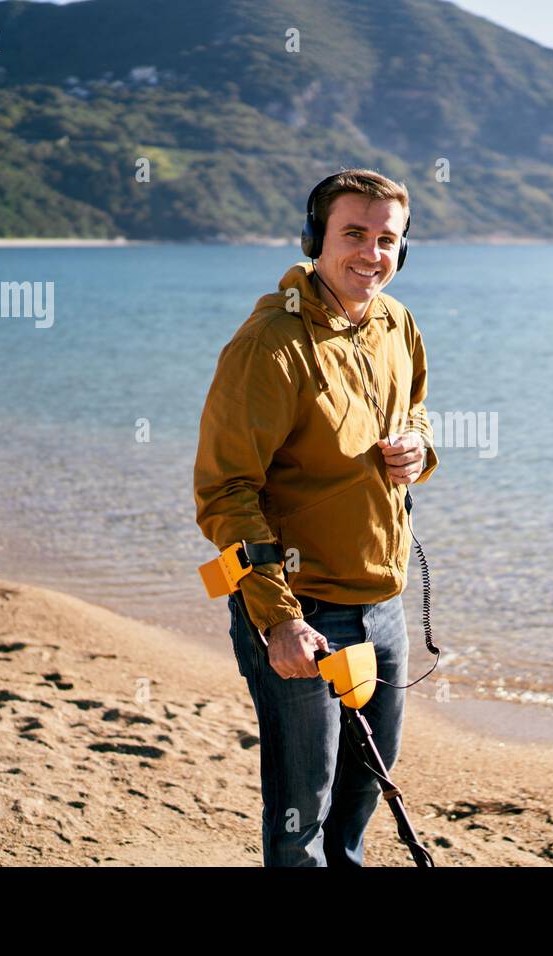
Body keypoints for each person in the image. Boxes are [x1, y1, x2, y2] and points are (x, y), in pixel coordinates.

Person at [193, 167, 439, 866]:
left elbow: (415, 411)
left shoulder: (397, 323)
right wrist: (278, 618)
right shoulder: (269, 344)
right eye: (354, 234)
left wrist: (420, 449)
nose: (372, 253)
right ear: (315, 240)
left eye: (387, 239)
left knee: (364, 793)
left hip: (384, 605)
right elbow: (227, 491)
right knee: (303, 810)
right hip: (303, 613)